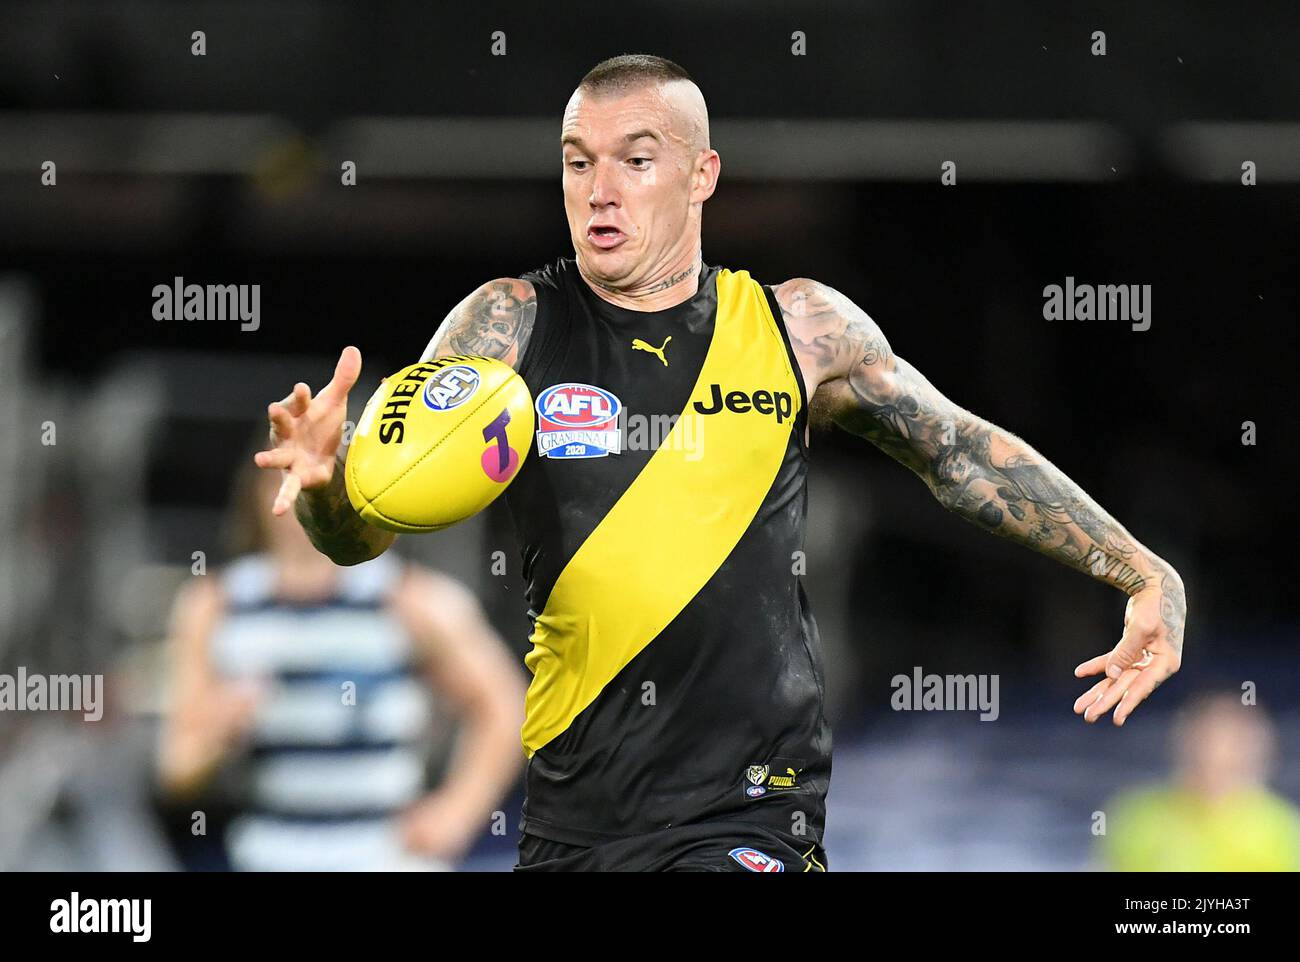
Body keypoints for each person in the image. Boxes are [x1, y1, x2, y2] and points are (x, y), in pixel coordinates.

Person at [254, 54, 1188, 872]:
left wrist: (1140, 570)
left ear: (701, 175)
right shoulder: (506, 326)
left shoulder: (798, 330)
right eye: (578, 164)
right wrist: (333, 490)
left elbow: (958, 451)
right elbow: (360, 537)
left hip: (750, 809)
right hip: (575, 817)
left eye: (635, 160)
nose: (599, 190)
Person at [158, 447, 526, 870]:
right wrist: (218, 731)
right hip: (270, 857)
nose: (304, 499)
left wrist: (458, 812)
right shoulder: (215, 605)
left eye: (323, 484)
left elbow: (503, 703)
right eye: (287, 479)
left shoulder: (406, 596)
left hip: (384, 857)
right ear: (257, 493)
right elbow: (176, 769)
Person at [1100, 692, 1300, 871]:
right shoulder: (1137, 816)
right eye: (1204, 746)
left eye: (1229, 756)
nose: (1212, 758)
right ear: (1183, 746)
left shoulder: (1283, 831)